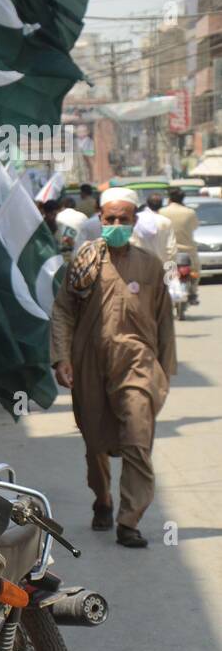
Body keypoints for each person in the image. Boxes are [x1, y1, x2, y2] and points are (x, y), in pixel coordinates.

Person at [51, 188, 176, 548]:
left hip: (137, 365)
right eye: (111, 219)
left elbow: (164, 320)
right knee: (96, 443)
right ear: (100, 220)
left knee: (138, 440)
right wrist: (62, 358)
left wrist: (163, 374)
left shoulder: (150, 265)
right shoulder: (84, 264)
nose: (117, 225)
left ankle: (129, 520)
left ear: (135, 220)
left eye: (124, 219)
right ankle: (102, 498)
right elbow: (62, 311)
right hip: (90, 363)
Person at [161, 189, 200, 305]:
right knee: (195, 271)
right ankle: (193, 292)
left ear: (169, 198)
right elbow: (194, 227)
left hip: (168, 249)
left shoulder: (162, 212)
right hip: (188, 249)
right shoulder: (190, 212)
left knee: (165, 272)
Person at [133, 193, 177, 268]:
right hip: (160, 267)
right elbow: (171, 248)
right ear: (161, 205)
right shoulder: (165, 221)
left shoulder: (135, 219)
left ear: (147, 203)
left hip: (138, 265)